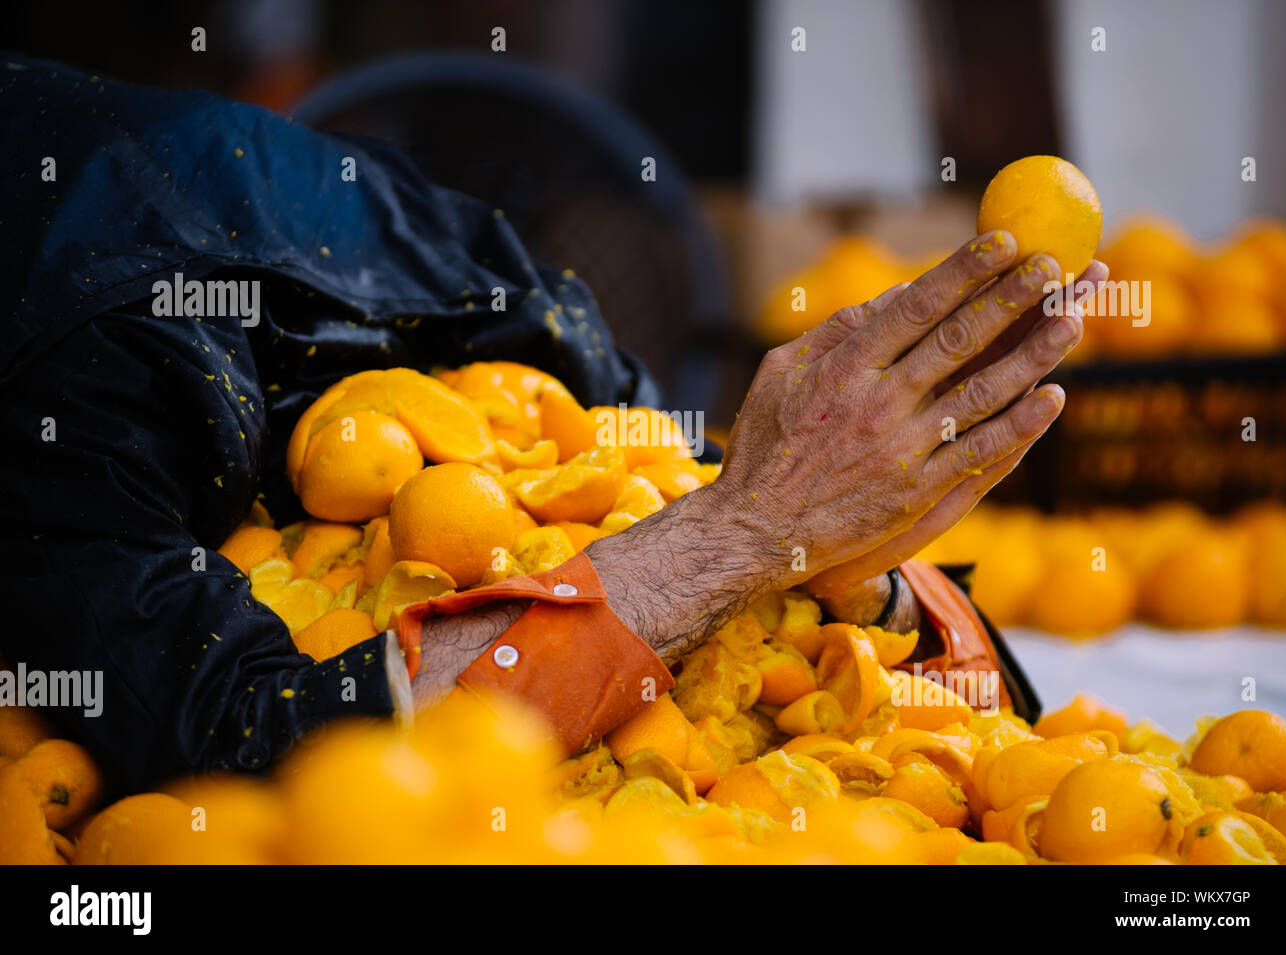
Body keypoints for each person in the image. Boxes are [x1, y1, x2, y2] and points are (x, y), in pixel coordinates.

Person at [0, 55, 1104, 794]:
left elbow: (985, 703)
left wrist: (861, 573)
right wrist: (740, 528)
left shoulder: (502, 302)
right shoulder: (93, 389)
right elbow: (253, 752)